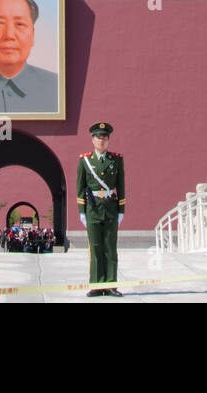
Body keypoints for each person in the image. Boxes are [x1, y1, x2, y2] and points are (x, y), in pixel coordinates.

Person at [76, 120, 125, 297]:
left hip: (111, 208)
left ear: (108, 140)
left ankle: (111, 284)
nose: (101, 140)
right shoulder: (85, 161)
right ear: (93, 140)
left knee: (110, 247)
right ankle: (97, 284)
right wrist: (82, 212)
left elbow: (121, 186)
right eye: (98, 138)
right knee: (95, 247)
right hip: (93, 210)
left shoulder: (116, 160)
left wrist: (121, 211)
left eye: (104, 138)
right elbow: (80, 188)